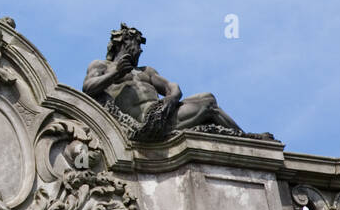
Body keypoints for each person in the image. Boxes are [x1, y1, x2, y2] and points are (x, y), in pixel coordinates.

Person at [83, 24, 244, 141]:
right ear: (124, 42)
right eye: (137, 44)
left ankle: (246, 140)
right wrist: (115, 73)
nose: (140, 50)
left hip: (164, 112)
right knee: (209, 105)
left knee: (208, 96)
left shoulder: (146, 71)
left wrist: (172, 98)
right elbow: (88, 88)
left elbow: (171, 86)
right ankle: (248, 141)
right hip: (147, 121)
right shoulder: (101, 65)